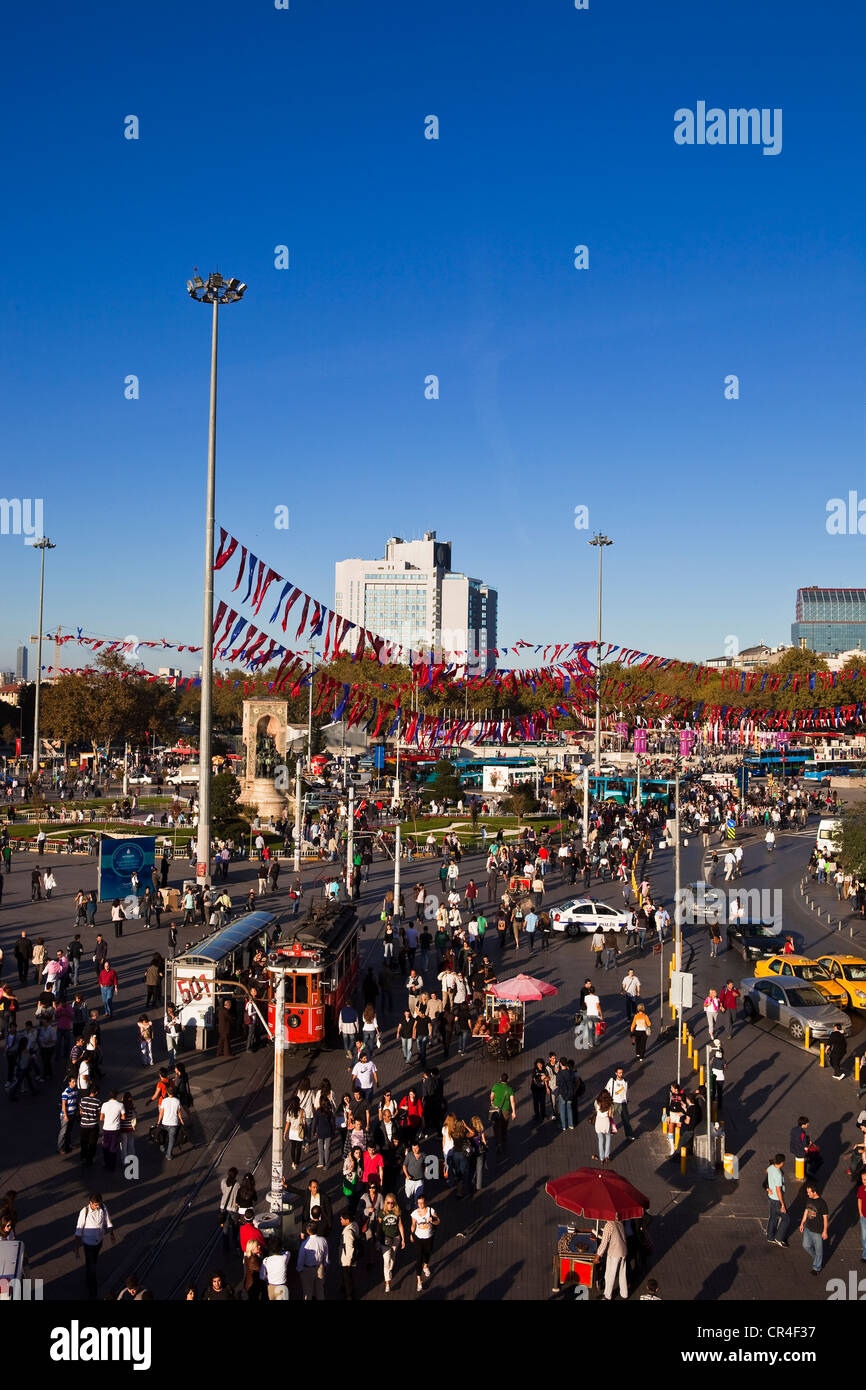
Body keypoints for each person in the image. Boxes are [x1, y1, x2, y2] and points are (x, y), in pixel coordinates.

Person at [74, 1193, 116, 1299]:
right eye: (96, 1205)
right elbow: (79, 1230)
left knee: (93, 1262)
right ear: (91, 1203)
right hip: (88, 1244)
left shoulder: (103, 1207)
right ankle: (92, 1290)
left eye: (99, 1204)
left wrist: (112, 1234)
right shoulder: (84, 1212)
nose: (98, 1207)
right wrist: (76, 1247)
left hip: (99, 1242)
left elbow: (108, 1222)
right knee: (91, 1265)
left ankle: (89, 1277)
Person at [376, 1191, 406, 1292]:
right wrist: (378, 1240)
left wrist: (403, 1239)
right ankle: (387, 1282)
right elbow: (379, 1227)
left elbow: (400, 1225)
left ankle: (389, 1271)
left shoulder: (397, 1212)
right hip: (385, 1239)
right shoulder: (382, 1212)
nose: (390, 1205)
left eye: (392, 1203)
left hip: (396, 1238)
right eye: (388, 1203)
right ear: (385, 1202)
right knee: (386, 1260)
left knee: (393, 1257)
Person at [410, 1194, 439, 1292]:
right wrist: (411, 1234)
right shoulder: (414, 1213)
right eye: (418, 1203)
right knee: (418, 1258)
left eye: (422, 1203)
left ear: (425, 1202)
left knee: (428, 1253)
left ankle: (425, 1265)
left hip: (429, 1237)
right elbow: (413, 1225)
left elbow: (438, 1221)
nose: (420, 1205)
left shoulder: (431, 1211)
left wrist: (433, 1220)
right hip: (418, 1238)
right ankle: (419, 1280)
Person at [798, 1184, 829, 1275]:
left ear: (814, 1192)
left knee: (819, 1250)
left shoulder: (822, 1203)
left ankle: (816, 1268)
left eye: (809, 1192)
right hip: (808, 1228)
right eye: (807, 1192)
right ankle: (817, 1258)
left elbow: (825, 1218)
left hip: (818, 1231)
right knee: (806, 1245)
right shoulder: (809, 1199)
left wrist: (825, 1231)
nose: (808, 1194)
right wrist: (802, 1222)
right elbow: (806, 1211)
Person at [596, 1217, 629, 1300]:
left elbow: (604, 1243)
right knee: (622, 1273)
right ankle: (624, 1294)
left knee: (609, 1275)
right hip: (624, 1251)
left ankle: (607, 1296)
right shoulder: (620, 1222)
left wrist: (598, 1256)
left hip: (614, 1253)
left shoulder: (608, 1225)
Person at [296, 1223, 329, 1300]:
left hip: (307, 1269)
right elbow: (326, 1254)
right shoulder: (323, 1240)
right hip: (320, 1267)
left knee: (307, 1292)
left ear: (308, 1231)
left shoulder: (305, 1244)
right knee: (320, 1291)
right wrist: (325, 1264)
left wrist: (299, 1269)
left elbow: (301, 1258)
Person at [766, 1153, 790, 1246]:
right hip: (777, 1199)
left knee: (773, 1217)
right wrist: (782, 1204)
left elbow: (767, 1174)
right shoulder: (778, 1173)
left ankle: (770, 1236)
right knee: (786, 1219)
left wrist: (768, 1188)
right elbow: (778, 1190)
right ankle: (779, 1238)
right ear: (782, 1163)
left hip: (771, 1197)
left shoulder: (771, 1167)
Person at [489, 1072, 516, 1156]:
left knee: (496, 1126)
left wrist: (492, 1101)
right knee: (504, 1125)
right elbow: (512, 1101)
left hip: (495, 1109)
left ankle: (498, 1142)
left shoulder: (496, 1086)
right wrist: (514, 1112)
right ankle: (503, 1137)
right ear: (507, 1080)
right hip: (505, 1110)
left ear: (500, 1079)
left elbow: (491, 1096)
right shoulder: (509, 1089)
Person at [605, 1066, 635, 1141]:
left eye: (621, 1072)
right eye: (619, 1073)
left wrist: (626, 1099)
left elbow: (626, 1091)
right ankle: (608, 1130)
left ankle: (629, 1135)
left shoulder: (625, 1081)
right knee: (609, 1118)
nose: (620, 1074)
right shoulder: (612, 1080)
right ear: (616, 1073)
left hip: (622, 1103)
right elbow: (606, 1089)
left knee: (626, 1120)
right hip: (613, 1103)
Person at [158, 1087, 185, 1160]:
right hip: (174, 1123)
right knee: (171, 1140)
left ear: (167, 1092)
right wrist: (181, 1120)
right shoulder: (177, 1101)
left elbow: (161, 1112)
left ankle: (162, 1147)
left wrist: (159, 1121)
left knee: (163, 1135)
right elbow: (179, 1112)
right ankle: (169, 1155)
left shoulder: (164, 1101)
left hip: (165, 1122)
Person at [339, 1212, 360, 1300]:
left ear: (347, 1220)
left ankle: (349, 1295)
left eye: (342, 1219)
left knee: (348, 1278)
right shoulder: (354, 1225)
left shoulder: (348, 1233)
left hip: (347, 1260)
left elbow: (350, 1248)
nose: (340, 1221)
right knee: (348, 1277)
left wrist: (348, 1262)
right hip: (350, 1258)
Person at [594, 1089, 614, 1163]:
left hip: (598, 1121)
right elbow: (610, 1115)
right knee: (608, 1138)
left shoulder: (596, 1102)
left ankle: (601, 1158)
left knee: (600, 1140)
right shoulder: (610, 1104)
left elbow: (596, 1110)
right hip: (606, 1122)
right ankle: (607, 1156)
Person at [530, 1058, 549, 1126]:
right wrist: (542, 1077)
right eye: (538, 1064)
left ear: (542, 1064)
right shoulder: (534, 1070)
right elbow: (534, 1079)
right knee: (536, 1102)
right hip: (535, 1088)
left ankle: (543, 1114)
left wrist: (547, 1087)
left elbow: (547, 1079)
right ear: (536, 1064)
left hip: (542, 1088)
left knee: (542, 1102)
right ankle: (537, 1115)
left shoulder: (544, 1070)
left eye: (540, 1064)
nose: (539, 1065)